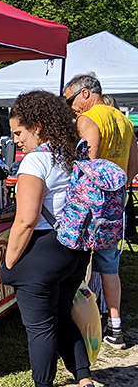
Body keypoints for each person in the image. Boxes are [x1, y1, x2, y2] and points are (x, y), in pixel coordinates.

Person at [0, 90, 104, 387]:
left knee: (40, 327)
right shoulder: (72, 153)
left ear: (39, 126)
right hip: (74, 249)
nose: (16, 140)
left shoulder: (36, 160)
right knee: (61, 317)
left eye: (19, 132)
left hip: (43, 251)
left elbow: (26, 219)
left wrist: (9, 261)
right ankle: (86, 384)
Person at [63, 73, 138, 349]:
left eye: (70, 98)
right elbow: (133, 167)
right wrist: (117, 188)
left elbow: (88, 163)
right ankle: (115, 328)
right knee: (110, 267)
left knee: (78, 263)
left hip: (90, 205)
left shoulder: (88, 118)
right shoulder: (124, 120)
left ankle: (82, 323)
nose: (70, 105)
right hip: (116, 203)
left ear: (85, 93)